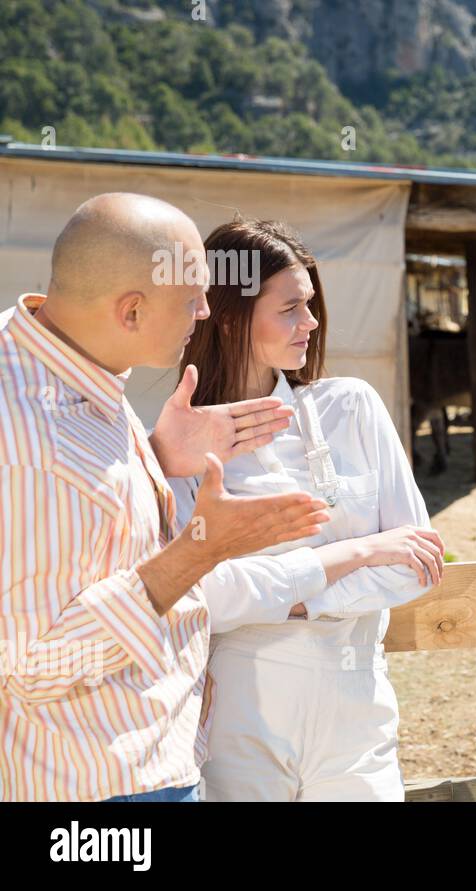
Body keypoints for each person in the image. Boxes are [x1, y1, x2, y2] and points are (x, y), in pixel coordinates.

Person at [0, 193, 328, 802]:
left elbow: (86, 536)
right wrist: (201, 551)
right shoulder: (26, 442)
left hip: (143, 765)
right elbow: (33, 665)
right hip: (105, 792)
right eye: (191, 298)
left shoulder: (54, 359)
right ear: (131, 310)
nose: (206, 312)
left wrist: (154, 457)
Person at [167, 218, 445, 801]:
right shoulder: (178, 446)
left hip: (358, 708)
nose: (312, 322)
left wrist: (286, 600)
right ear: (229, 315)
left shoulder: (351, 407)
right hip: (240, 713)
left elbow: (415, 562)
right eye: (291, 307)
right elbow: (203, 596)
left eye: (310, 304)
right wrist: (357, 553)